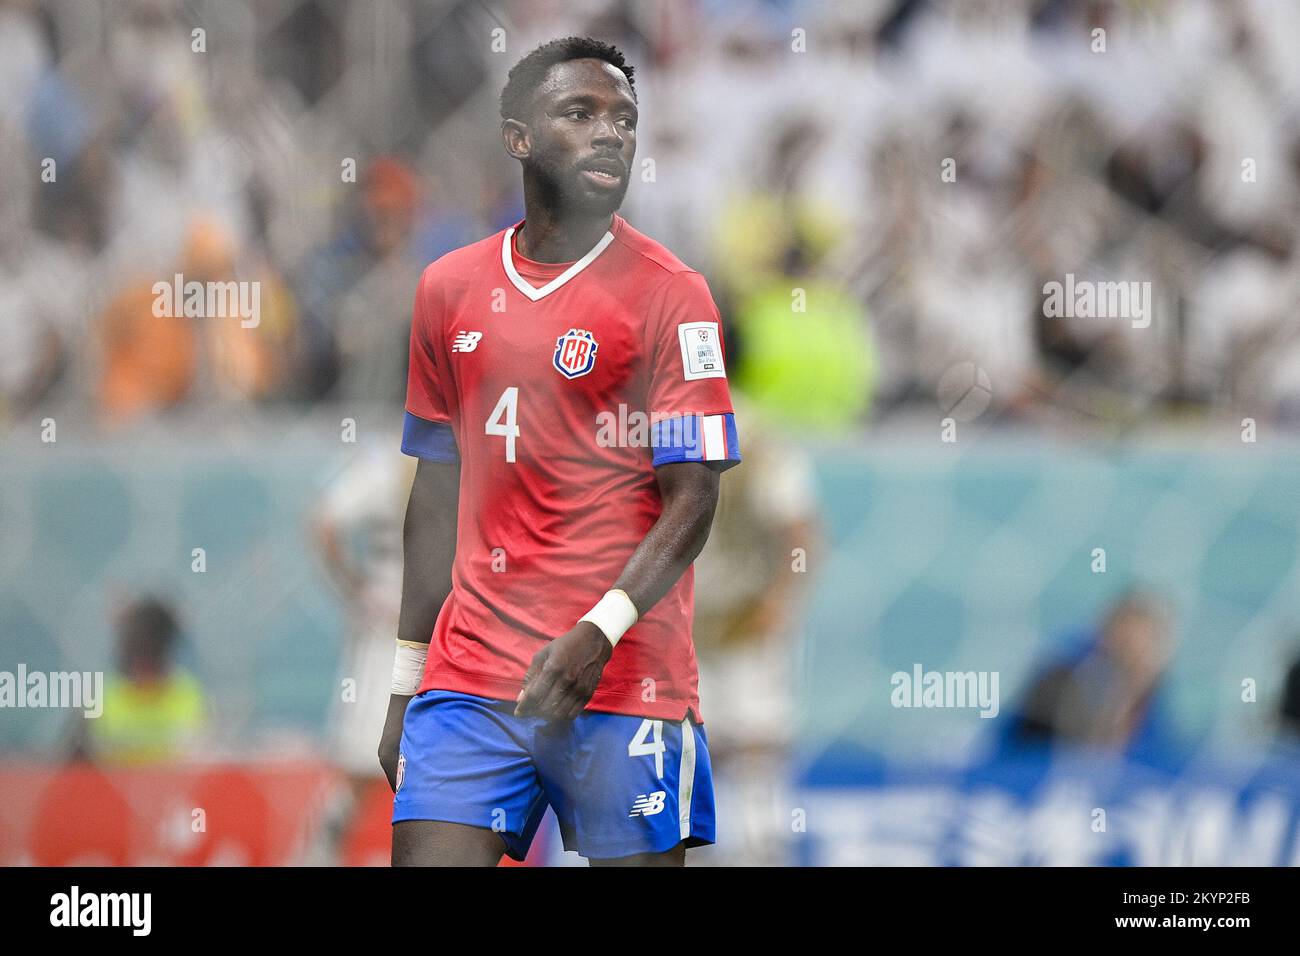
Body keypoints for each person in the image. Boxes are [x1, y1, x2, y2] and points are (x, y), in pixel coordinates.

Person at [378, 36, 742, 867]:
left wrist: (597, 633)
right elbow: (435, 499)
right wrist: (404, 685)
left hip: (626, 683)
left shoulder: (671, 294)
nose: (610, 132)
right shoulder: (447, 290)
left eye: (624, 118)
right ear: (518, 137)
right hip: (471, 682)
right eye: (580, 113)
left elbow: (694, 497)